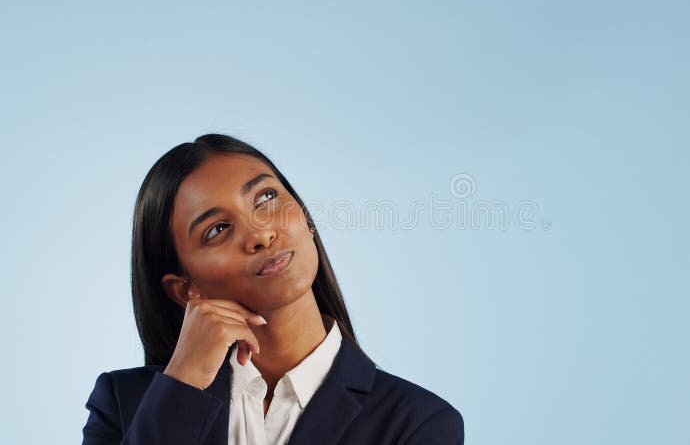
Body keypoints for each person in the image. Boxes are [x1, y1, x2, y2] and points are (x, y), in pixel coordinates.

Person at [81, 133, 464, 445]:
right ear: (185, 290)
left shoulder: (419, 423)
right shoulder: (123, 404)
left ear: (305, 217)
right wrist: (185, 379)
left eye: (266, 198)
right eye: (217, 229)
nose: (261, 234)